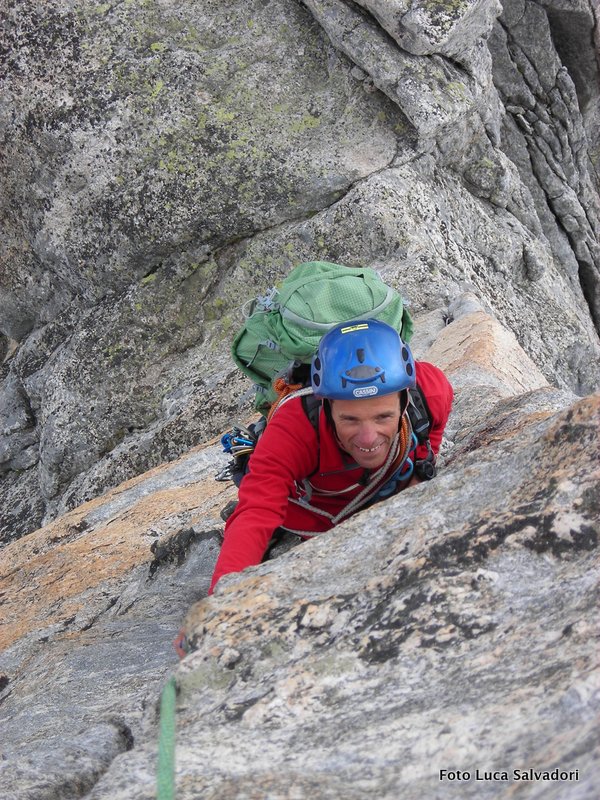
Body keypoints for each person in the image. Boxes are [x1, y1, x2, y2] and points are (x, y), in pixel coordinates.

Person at [208, 319, 453, 595]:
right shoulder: (294, 428)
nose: (368, 438)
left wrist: (422, 466)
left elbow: (436, 417)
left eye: (382, 417)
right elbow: (256, 512)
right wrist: (219, 605)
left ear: (405, 401)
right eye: (350, 419)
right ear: (327, 405)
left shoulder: (429, 390)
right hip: (311, 511)